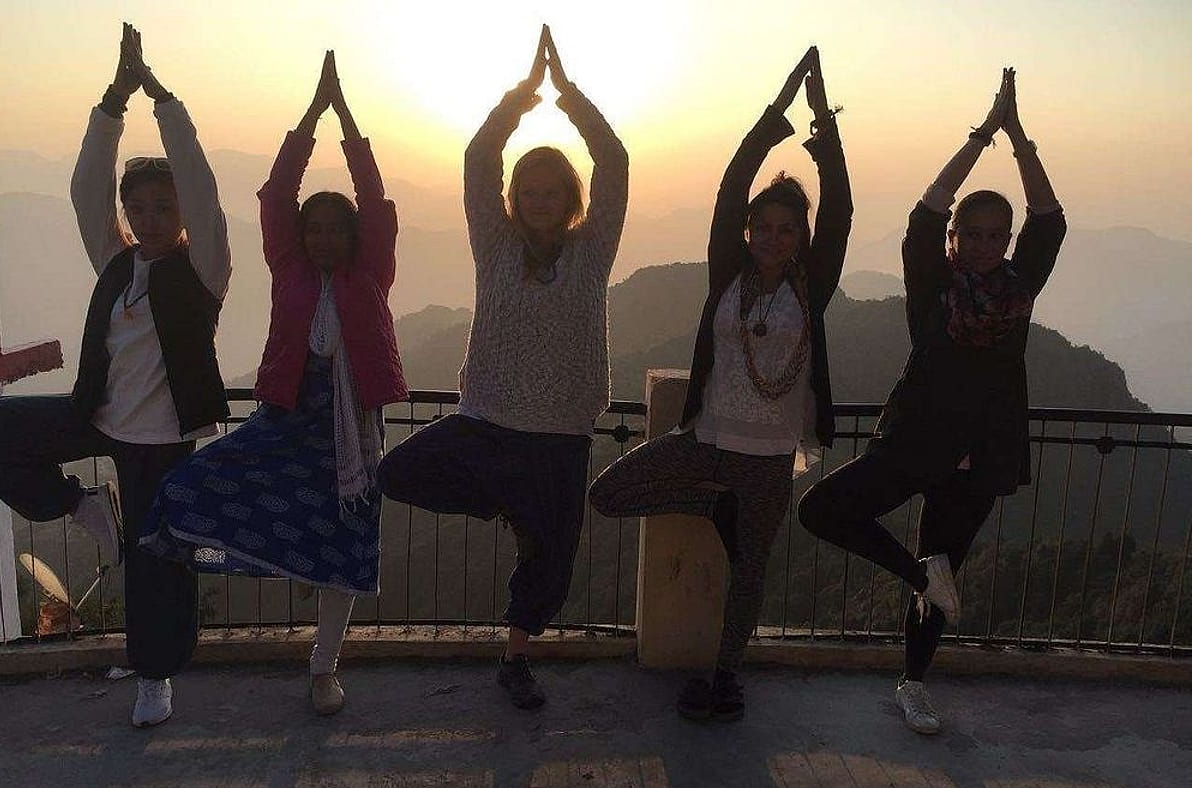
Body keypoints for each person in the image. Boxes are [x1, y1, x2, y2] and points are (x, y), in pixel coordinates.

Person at [797, 68, 1065, 735]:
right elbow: (927, 207)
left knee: (948, 563)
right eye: (969, 232)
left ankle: (914, 683)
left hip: (982, 455)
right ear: (954, 239)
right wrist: (982, 134)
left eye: (992, 234)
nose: (979, 243)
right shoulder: (931, 287)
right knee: (824, 509)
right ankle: (915, 571)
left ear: (1006, 240)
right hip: (915, 441)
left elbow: (1050, 219)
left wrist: (1021, 137)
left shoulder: (1018, 289)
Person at [589, 46, 852, 722]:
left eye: (784, 228)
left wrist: (823, 122)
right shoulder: (725, 274)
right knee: (609, 493)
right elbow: (732, 184)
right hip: (705, 438)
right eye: (761, 226)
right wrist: (777, 109)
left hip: (769, 457)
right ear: (747, 231)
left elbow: (843, 209)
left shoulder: (810, 288)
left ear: (800, 236)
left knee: (751, 572)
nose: (769, 235)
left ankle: (725, 677)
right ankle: (711, 506)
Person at [140, 51, 405, 716]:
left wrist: (345, 117)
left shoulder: (372, 271)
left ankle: (324, 669)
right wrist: (308, 115)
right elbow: (275, 194)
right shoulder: (286, 265)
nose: (320, 238)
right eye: (311, 229)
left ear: (352, 235)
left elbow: (373, 197)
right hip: (289, 418)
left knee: (344, 543)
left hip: (351, 431)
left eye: (333, 229)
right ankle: (171, 625)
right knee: (192, 483)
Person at [377, 25, 628, 710]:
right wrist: (520, 99)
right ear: (514, 198)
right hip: (486, 421)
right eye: (529, 189)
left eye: (553, 189)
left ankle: (516, 659)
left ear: (570, 198)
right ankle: (499, 500)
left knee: (548, 562)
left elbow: (613, 158)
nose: (540, 199)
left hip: (559, 437)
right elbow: (479, 156)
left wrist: (569, 97)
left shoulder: (593, 250)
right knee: (396, 472)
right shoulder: (493, 243)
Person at [0, 23, 232, 727]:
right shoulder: (118, 265)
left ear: (183, 214)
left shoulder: (202, 273)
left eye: (165, 208)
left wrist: (163, 100)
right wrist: (112, 102)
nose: (150, 218)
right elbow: (82, 190)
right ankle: (79, 503)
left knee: (158, 559)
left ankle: (154, 676)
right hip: (93, 412)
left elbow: (206, 189)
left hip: (159, 438)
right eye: (139, 208)